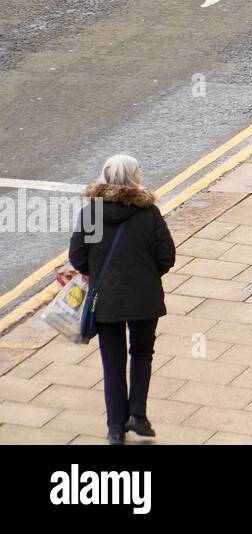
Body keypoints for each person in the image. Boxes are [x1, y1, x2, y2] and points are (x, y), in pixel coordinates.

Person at [69, 155, 176, 445]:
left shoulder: (92, 213)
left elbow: (77, 258)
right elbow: (166, 257)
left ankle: (116, 428)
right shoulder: (148, 212)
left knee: (113, 362)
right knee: (141, 353)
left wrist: (98, 274)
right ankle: (138, 415)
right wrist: (147, 275)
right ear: (133, 178)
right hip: (144, 297)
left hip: (106, 298)